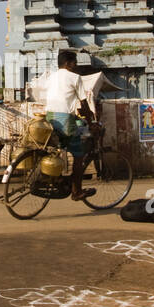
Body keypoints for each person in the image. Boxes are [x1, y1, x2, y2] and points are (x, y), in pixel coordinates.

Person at [44, 49, 98, 201]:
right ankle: (77, 191)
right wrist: (92, 121)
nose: (77, 65)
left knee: (57, 148)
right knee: (79, 155)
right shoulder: (75, 77)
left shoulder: (51, 77)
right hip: (64, 118)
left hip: (49, 117)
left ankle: (59, 178)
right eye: (75, 62)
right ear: (68, 64)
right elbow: (83, 102)